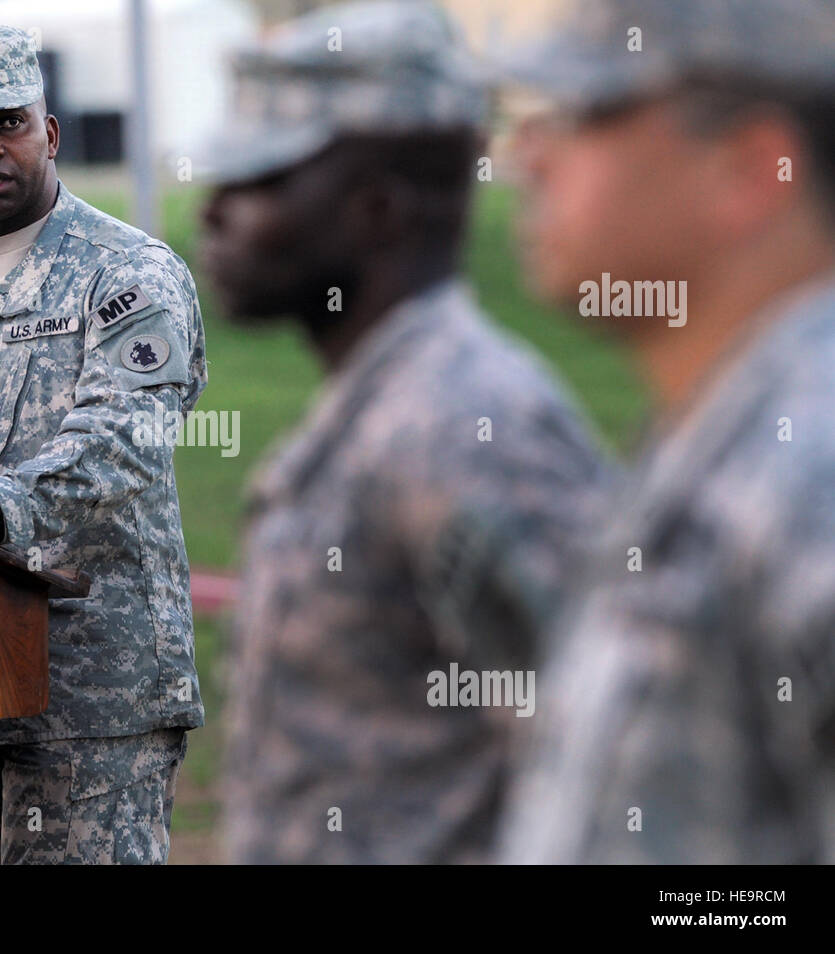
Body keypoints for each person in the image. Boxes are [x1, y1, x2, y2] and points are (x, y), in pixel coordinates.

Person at [197, 0, 610, 864]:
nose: (215, 211)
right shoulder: (379, 404)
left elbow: (629, 764)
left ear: (378, 210)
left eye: (260, 181)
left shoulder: (470, 430)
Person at [495, 0, 835, 863]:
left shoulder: (813, 476)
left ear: (752, 170)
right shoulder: (732, 435)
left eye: (581, 118)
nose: (525, 159)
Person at [0, 26, 207, 864]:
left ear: (49, 133)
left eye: (6, 125)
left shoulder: (128, 272)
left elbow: (128, 437)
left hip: (93, 693)